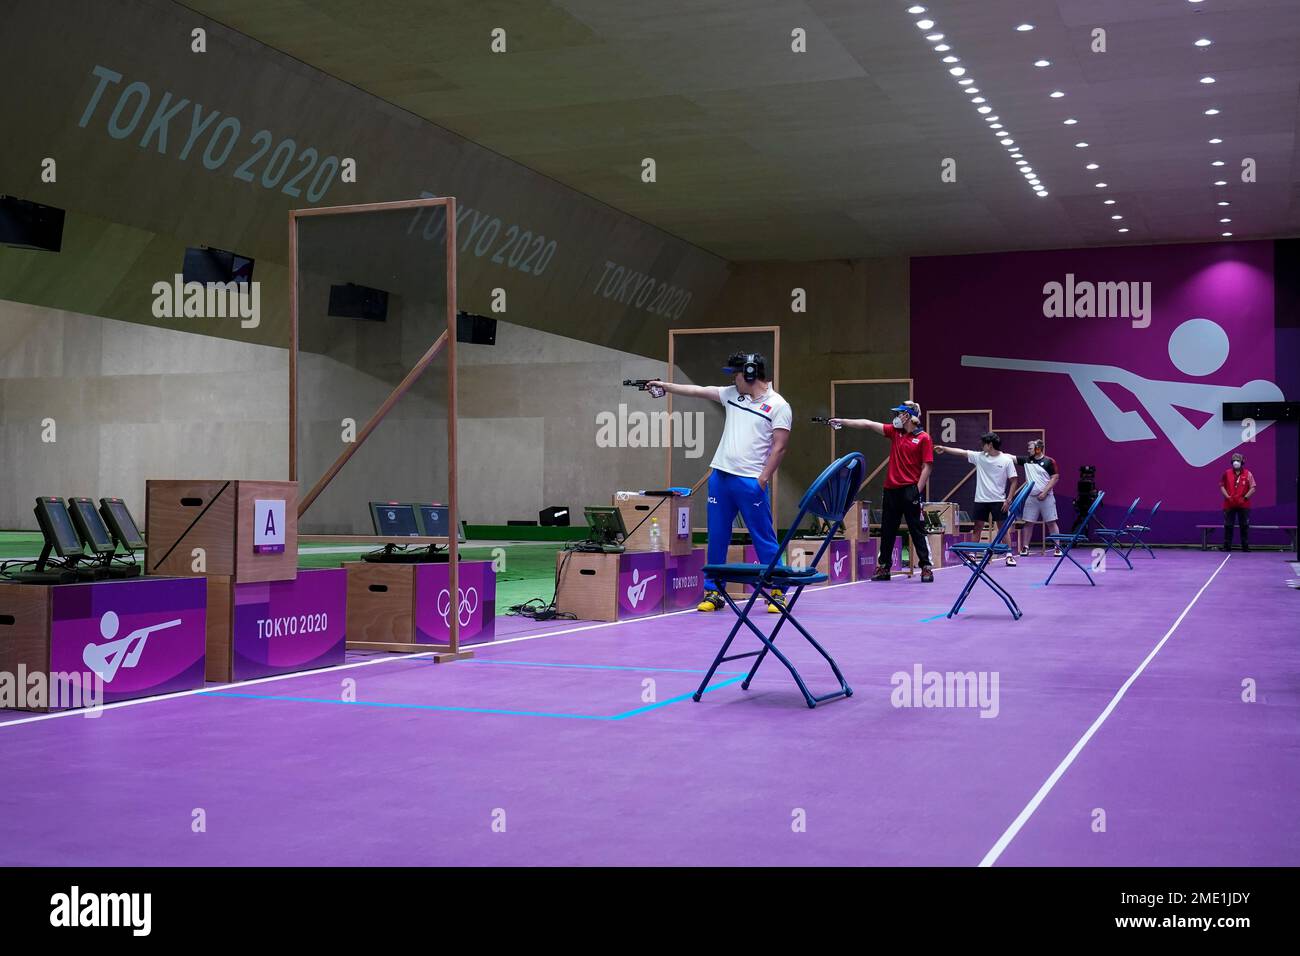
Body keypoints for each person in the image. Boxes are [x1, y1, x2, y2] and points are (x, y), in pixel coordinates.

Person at [647, 352, 791, 612]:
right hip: (720, 479)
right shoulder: (730, 394)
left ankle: (778, 590)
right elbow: (698, 391)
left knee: (763, 537)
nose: (733, 380)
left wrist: (762, 479)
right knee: (717, 537)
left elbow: (779, 448)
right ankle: (714, 592)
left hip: (751, 482)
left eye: (735, 374)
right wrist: (665, 386)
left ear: (748, 374)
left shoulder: (779, 405)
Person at [829, 401, 935, 583]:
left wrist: (917, 490)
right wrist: (842, 421)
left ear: (908, 416)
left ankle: (926, 567)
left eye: (899, 414)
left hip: (910, 490)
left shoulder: (923, 438)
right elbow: (867, 424)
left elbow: (927, 467)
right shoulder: (895, 433)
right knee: (887, 530)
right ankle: (884, 567)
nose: (896, 417)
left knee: (917, 529)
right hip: (891, 490)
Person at [933, 431, 1020, 567]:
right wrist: (944, 449)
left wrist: (1009, 499)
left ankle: (1009, 555)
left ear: (990, 445)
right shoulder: (980, 457)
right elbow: (961, 452)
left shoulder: (1006, 460)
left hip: (999, 500)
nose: (981, 446)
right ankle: (972, 555)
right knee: (977, 528)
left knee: (1003, 528)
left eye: (984, 444)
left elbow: (1014, 481)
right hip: (981, 500)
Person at [1015, 439, 1062, 557]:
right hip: (1031, 498)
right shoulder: (1027, 460)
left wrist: (1045, 492)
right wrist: (996, 453)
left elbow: (1055, 477)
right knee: (1028, 523)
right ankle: (1025, 547)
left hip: (1047, 497)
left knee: (1051, 522)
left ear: (1038, 449)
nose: (1028, 450)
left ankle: (1057, 547)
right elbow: (1010, 457)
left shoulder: (1049, 461)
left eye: (1031, 448)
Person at [1220, 452, 1255, 552]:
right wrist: (1227, 496)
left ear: (1242, 462)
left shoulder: (1248, 473)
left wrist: (1245, 498)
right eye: (1234, 461)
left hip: (1243, 504)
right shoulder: (1226, 473)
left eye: (1238, 461)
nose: (1236, 462)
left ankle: (1245, 547)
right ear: (1231, 462)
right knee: (1228, 526)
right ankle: (1227, 547)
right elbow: (1222, 486)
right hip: (1229, 504)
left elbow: (1253, 487)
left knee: (1244, 526)